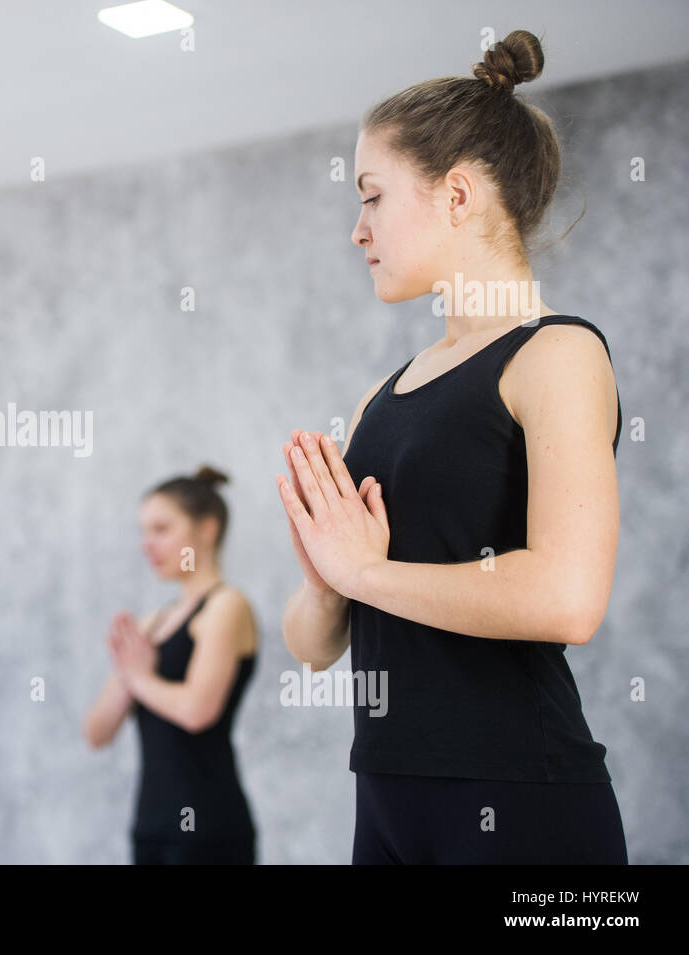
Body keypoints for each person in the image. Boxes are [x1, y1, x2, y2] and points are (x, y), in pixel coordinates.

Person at [276, 29, 627, 864]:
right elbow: (313, 644)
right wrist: (327, 581)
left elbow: (568, 598)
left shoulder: (558, 354)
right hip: (387, 802)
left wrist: (365, 572)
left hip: (521, 797)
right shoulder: (377, 397)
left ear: (458, 195)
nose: (357, 229)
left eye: (371, 196)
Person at [84, 466, 260, 864]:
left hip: (209, 832)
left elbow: (198, 710)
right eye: (143, 532)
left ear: (207, 528)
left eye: (161, 529)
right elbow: (96, 732)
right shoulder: (152, 623)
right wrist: (132, 677)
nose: (148, 545)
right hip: (149, 829)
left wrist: (137, 677)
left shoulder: (227, 606)